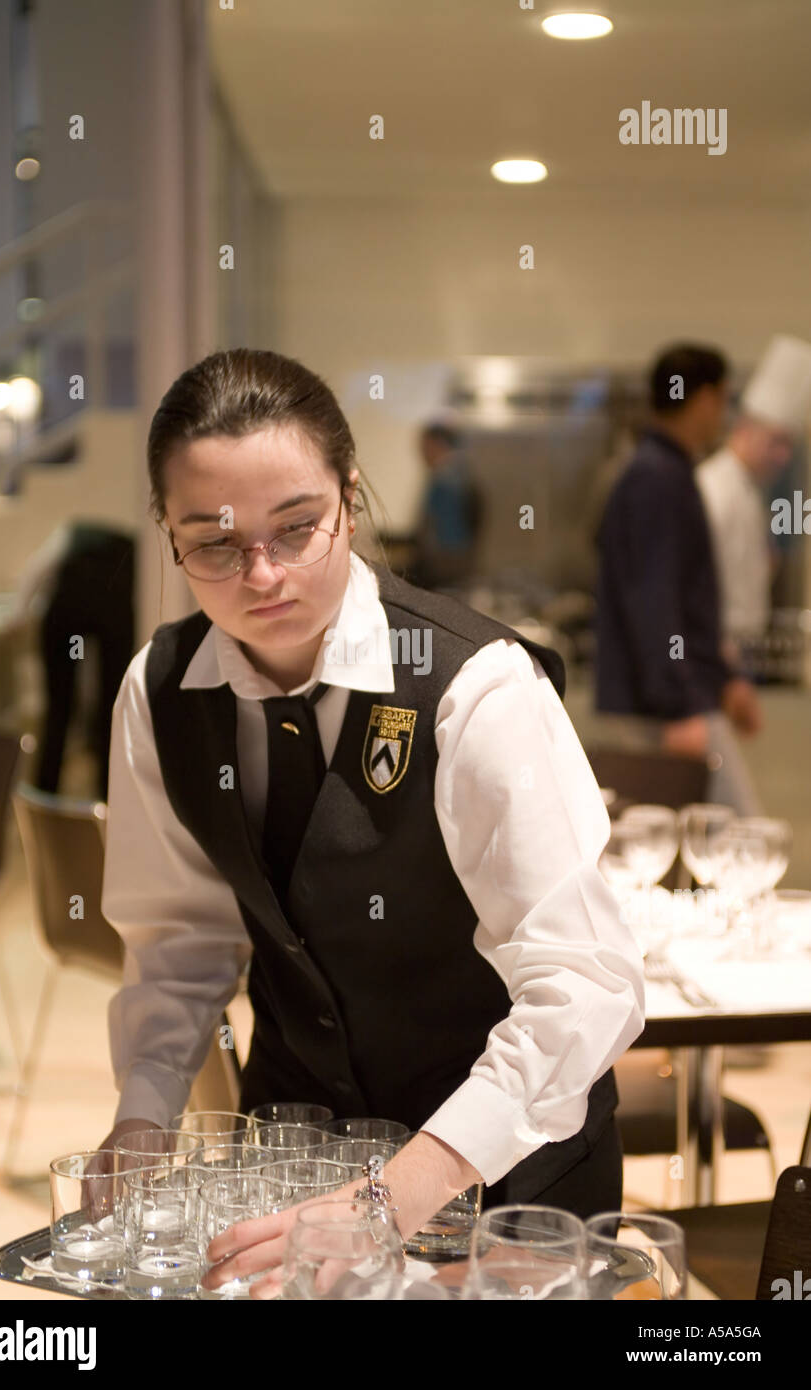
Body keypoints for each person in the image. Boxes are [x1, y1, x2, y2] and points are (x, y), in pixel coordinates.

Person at [96, 348, 644, 1298]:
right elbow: (181, 942)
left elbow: (585, 985)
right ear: (168, 534)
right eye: (213, 544)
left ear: (350, 499)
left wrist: (393, 1201)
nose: (260, 574)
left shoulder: (476, 684)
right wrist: (143, 1121)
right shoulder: (159, 690)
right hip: (291, 1160)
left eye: (297, 527)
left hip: (506, 1186)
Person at [594, 344, 764, 815]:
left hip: (673, 695)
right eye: (724, 400)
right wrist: (678, 704)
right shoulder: (656, 476)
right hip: (663, 705)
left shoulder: (665, 470)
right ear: (706, 398)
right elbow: (654, 598)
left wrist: (725, 681)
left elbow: (676, 603)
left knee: (688, 846)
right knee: (731, 839)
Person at [696, 334, 811, 658]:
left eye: (789, 445)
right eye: (776, 442)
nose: (783, 457)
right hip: (714, 652)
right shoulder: (712, 487)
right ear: (745, 428)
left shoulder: (750, 492)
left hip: (740, 652)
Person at [16, 519, 136, 799]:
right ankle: (110, 796)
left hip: (67, 614)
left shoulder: (72, 533)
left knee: (59, 709)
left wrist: (18, 616)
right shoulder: (131, 547)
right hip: (111, 612)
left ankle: (45, 795)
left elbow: (34, 574)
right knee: (112, 707)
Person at [408, 420, 483, 590]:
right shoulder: (461, 471)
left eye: (425, 446)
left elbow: (439, 524)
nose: (422, 453)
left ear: (438, 444)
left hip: (447, 559)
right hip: (459, 557)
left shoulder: (446, 477)